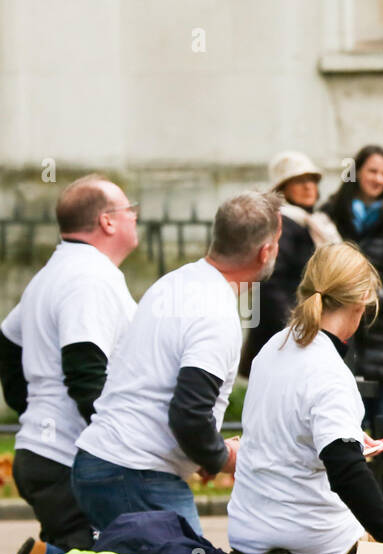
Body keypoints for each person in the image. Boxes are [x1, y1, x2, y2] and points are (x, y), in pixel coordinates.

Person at [71, 191, 282, 535]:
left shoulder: (175, 282)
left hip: (104, 463)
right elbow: (188, 416)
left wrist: (206, 452)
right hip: (138, 473)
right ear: (265, 252)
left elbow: (160, 387)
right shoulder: (217, 314)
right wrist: (224, 458)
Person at [224, 242, 383, 554]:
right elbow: (346, 473)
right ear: (363, 301)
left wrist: (351, 439)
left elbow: (287, 431)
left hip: (249, 527)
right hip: (313, 537)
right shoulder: (330, 371)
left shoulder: (273, 347)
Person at [0, 174, 139, 552]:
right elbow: (85, 371)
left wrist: (31, 408)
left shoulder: (55, 272)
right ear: (107, 221)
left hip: (45, 452)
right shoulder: (88, 279)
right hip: (67, 459)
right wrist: (119, 448)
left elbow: (8, 340)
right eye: (130, 210)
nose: (135, 217)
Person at [320, 145, 383, 442]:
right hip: (337, 330)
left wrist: (374, 299)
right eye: (373, 171)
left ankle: (382, 486)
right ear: (357, 172)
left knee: (380, 420)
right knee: (339, 418)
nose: (379, 179)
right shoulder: (331, 213)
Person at [239, 151, 341, 377]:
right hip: (286, 339)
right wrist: (295, 330)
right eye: (299, 181)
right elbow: (269, 285)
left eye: (312, 180)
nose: (308, 187)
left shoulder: (314, 224)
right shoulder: (281, 225)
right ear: (282, 188)